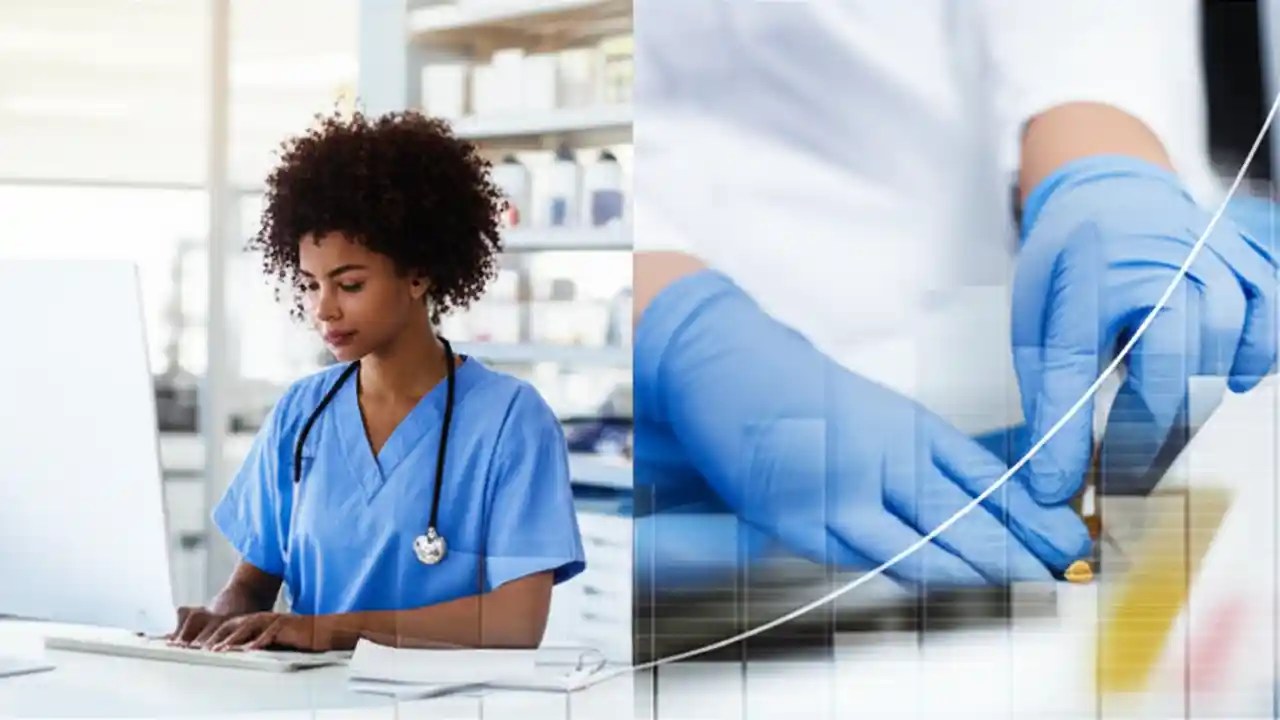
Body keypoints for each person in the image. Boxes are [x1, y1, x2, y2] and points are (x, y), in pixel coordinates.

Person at [632, 1, 1277, 585]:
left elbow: (1083, 28)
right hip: (653, 434)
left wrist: (1102, 161)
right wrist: (671, 326)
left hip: (983, 367)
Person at [168, 112, 585, 652]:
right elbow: (252, 584)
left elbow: (516, 623)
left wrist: (331, 630)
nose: (324, 309)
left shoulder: (509, 420)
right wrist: (214, 623)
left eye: (350, 284)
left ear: (418, 273)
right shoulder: (303, 411)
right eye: (310, 284)